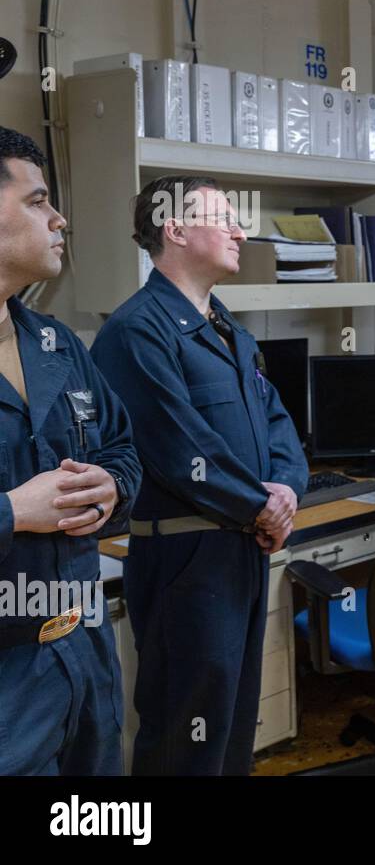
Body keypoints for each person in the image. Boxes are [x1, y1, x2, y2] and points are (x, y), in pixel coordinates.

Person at [91, 175, 308, 775]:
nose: (242, 231)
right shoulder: (137, 331)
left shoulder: (224, 326)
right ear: (176, 229)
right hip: (187, 555)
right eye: (224, 219)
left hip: (240, 545)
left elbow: (277, 421)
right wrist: (260, 505)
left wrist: (287, 488)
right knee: (187, 732)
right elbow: (181, 447)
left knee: (233, 723)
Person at [0, 126, 141, 775]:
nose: (60, 220)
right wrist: (11, 512)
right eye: (38, 202)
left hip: (81, 648)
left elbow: (120, 447)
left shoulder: (57, 344)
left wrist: (113, 486)